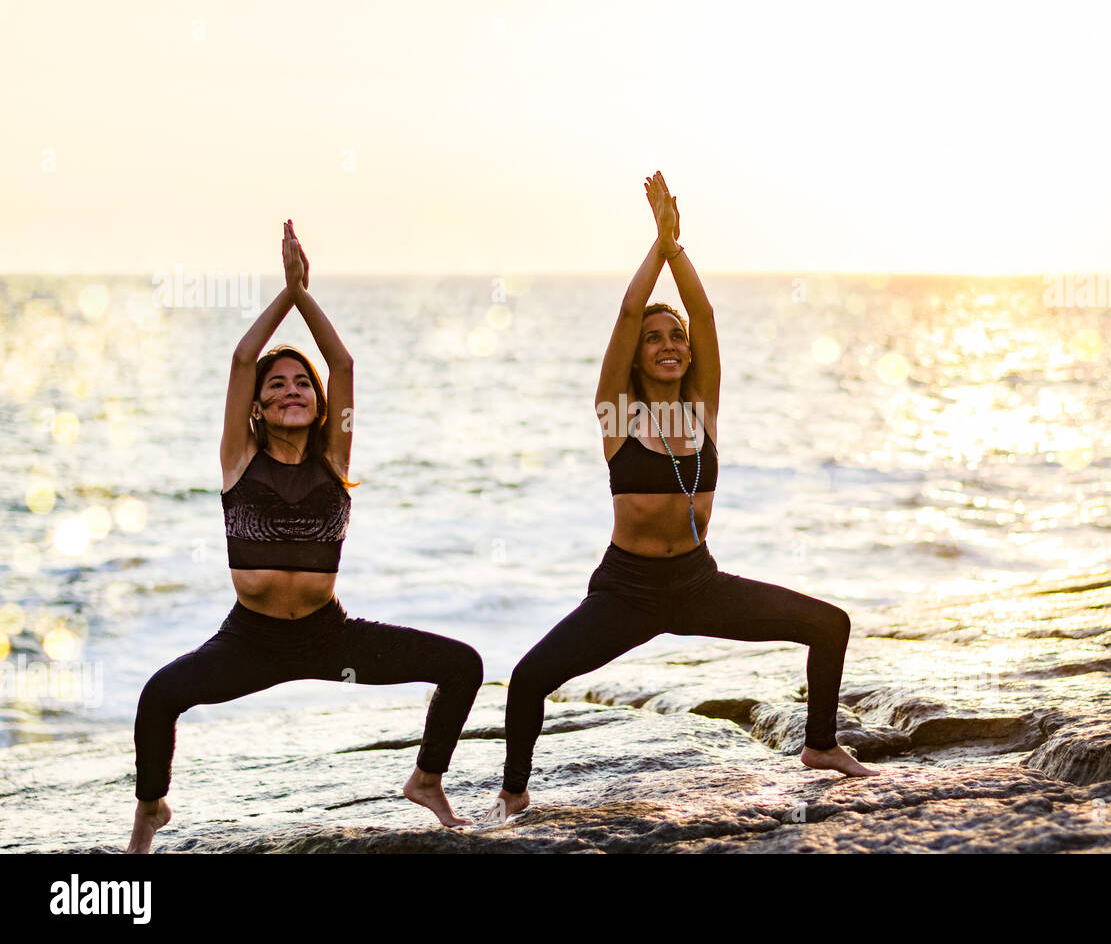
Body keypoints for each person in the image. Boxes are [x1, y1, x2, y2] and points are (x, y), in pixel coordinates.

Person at [486, 173, 875, 823]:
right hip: (626, 591)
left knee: (829, 624)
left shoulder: (703, 410)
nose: (669, 344)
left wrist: (679, 247)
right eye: (655, 340)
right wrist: (656, 246)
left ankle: (819, 746)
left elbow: (707, 315)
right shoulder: (617, 417)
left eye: (677, 339)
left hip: (699, 582)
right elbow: (628, 314)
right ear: (637, 360)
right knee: (529, 679)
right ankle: (513, 795)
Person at [127, 222, 483, 853]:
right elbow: (242, 360)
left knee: (462, 665)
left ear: (320, 407)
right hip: (250, 642)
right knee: (159, 697)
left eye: (302, 385)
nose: (292, 390)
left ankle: (426, 781)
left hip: (329, 638)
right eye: (277, 386)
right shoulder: (239, 462)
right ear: (257, 410)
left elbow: (342, 364)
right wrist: (285, 293)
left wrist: (306, 296)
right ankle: (149, 813)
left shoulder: (335, 461)